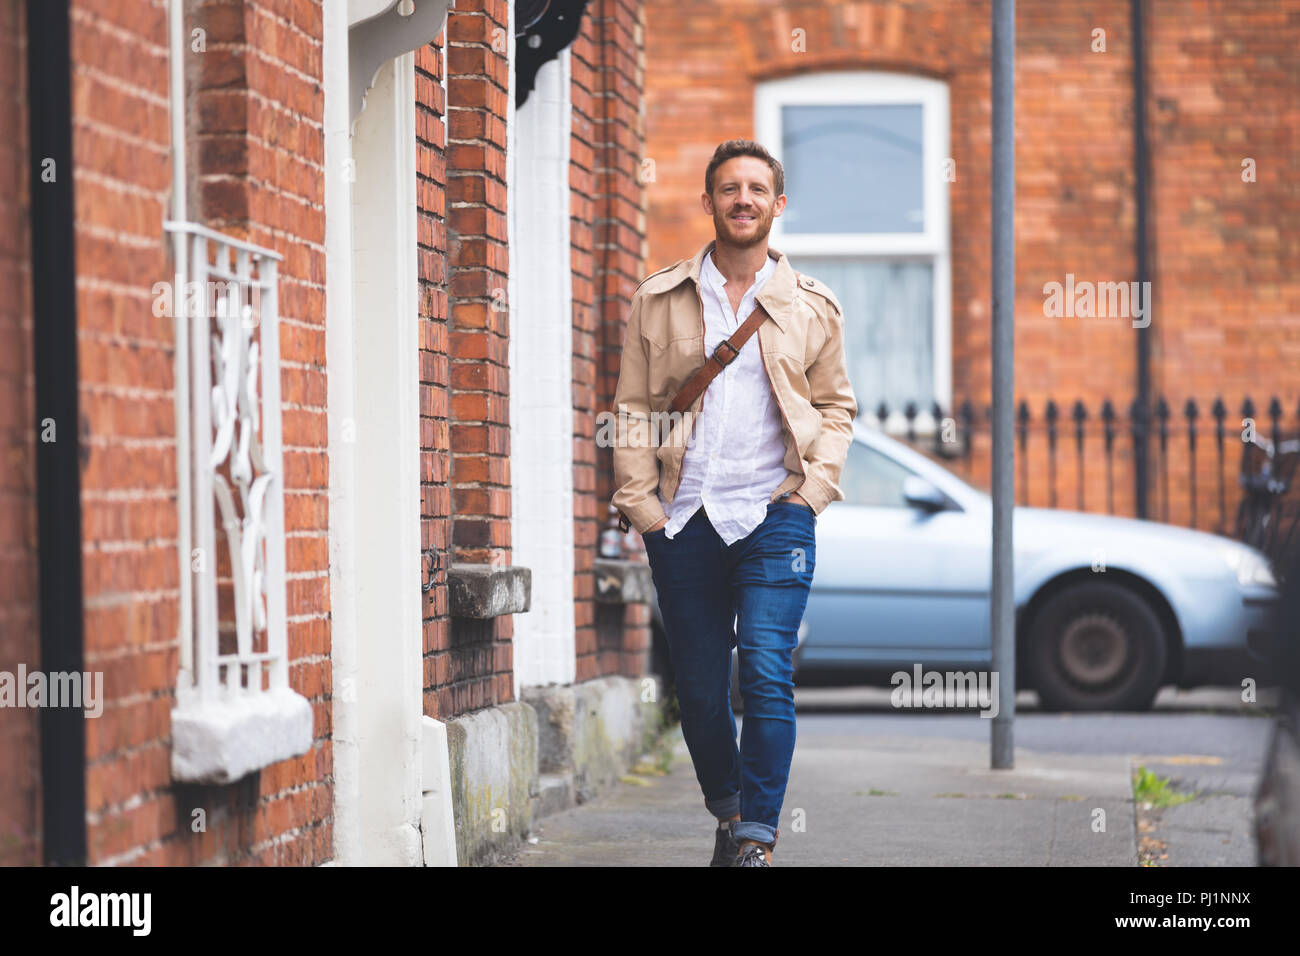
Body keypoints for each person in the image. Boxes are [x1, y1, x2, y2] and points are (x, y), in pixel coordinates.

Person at [610, 139, 857, 866]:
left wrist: (813, 490)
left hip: (776, 512)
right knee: (698, 685)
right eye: (728, 188)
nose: (742, 199)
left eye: (757, 188)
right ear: (710, 202)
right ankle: (729, 809)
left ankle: (756, 839)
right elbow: (632, 408)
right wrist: (642, 506)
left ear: (777, 205)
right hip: (684, 516)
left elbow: (838, 407)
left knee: (766, 668)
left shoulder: (812, 307)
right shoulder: (658, 300)